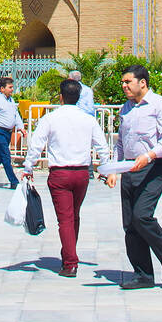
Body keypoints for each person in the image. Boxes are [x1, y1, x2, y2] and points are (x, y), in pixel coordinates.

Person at [22, 77, 111, 277]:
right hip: (81, 174)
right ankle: (68, 253)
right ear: (79, 97)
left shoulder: (50, 118)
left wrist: (29, 167)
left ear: (60, 97)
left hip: (60, 174)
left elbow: (36, 144)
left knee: (65, 219)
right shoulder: (88, 119)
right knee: (74, 215)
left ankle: (70, 262)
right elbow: (102, 146)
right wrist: (105, 169)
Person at [112, 66, 162, 289]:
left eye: (128, 82)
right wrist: (114, 169)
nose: (124, 86)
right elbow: (121, 142)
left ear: (142, 83)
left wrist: (149, 155)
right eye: (123, 82)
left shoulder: (161, 105)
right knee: (130, 224)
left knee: (142, 216)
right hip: (130, 169)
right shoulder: (126, 109)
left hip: (154, 167)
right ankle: (143, 274)